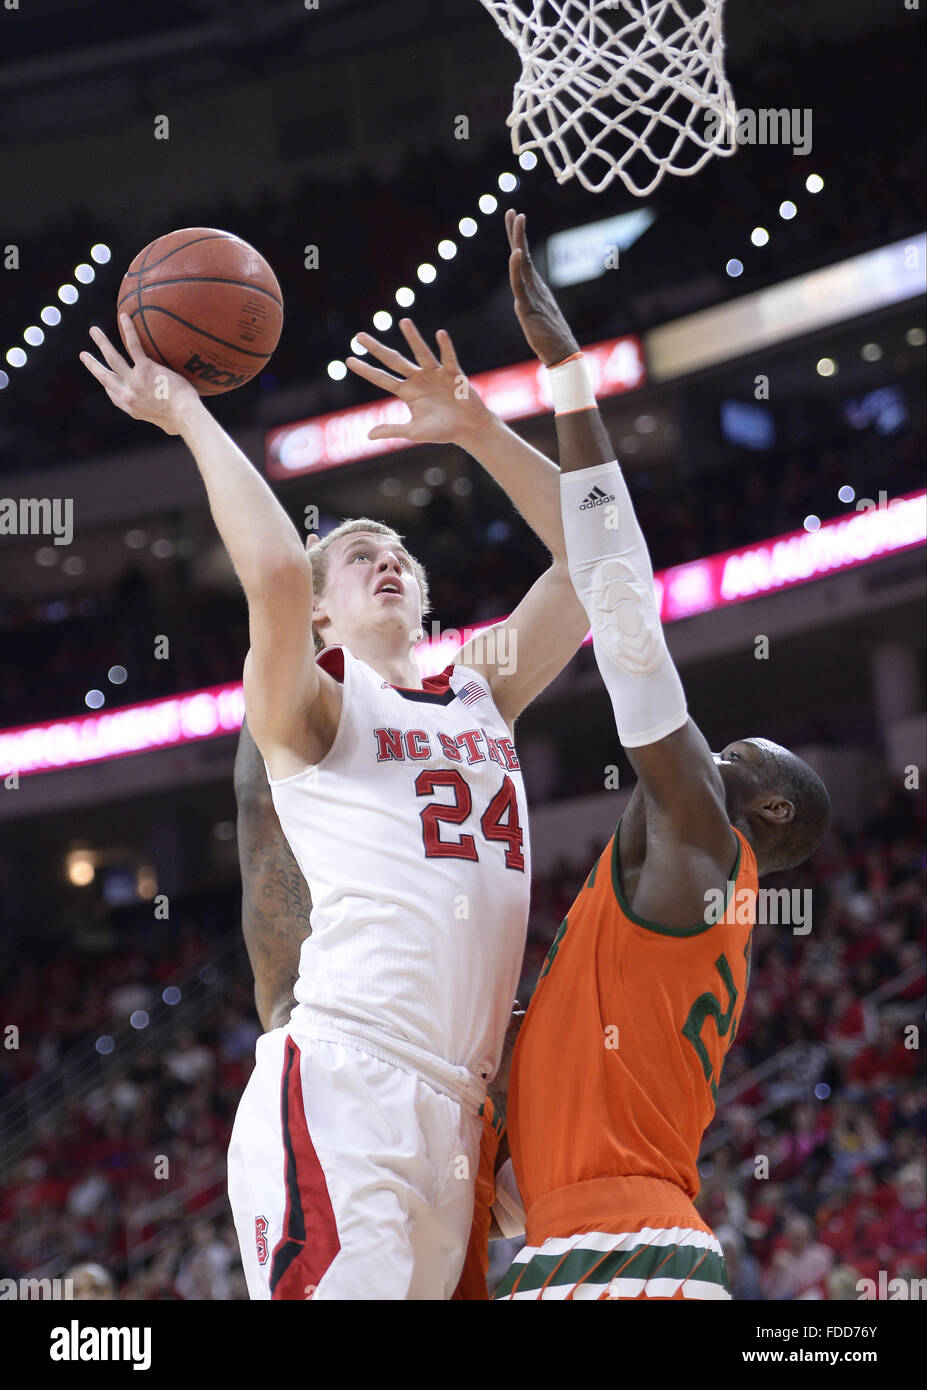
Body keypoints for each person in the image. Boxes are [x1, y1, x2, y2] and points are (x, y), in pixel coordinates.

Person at [80, 301, 588, 1299]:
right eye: (359, 555)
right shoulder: (311, 704)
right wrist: (185, 410)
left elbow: (600, 562)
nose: (386, 557)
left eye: (399, 551)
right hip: (349, 1077)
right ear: (321, 613)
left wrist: (482, 427)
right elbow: (270, 569)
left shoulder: (481, 690)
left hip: (460, 1110)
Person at [491, 212, 831, 1301]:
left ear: (771, 812)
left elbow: (624, 612)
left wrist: (571, 381)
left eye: (758, 751)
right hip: (606, 1243)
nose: (729, 736)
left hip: (619, 1249)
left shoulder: (701, 835)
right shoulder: (684, 880)